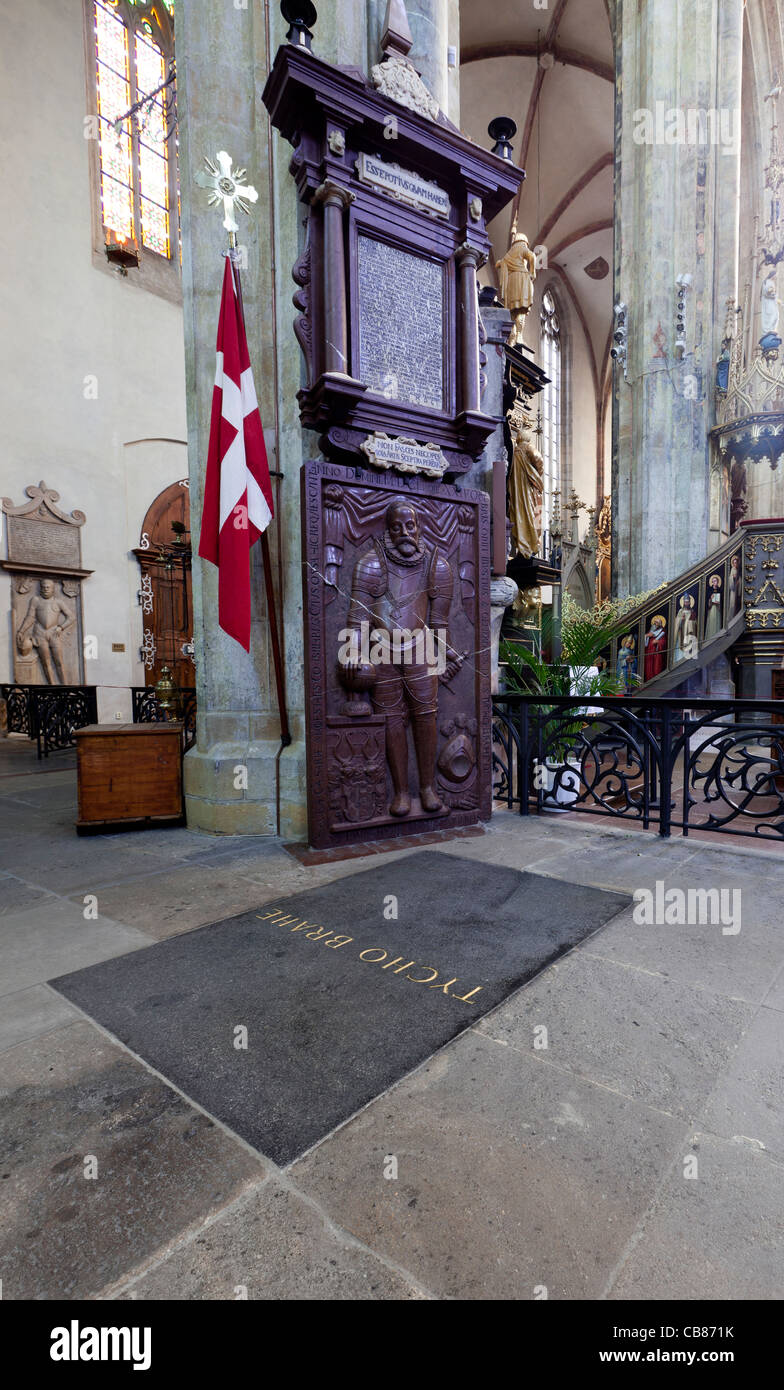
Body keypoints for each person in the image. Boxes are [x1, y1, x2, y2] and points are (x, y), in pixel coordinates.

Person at [343, 501, 464, 818]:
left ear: (419, 527)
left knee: (426, 716)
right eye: (397, 526)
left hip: (421, 649)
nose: (404, 532)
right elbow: (357, 622)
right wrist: (354, 653)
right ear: (388, 528)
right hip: (382, 651)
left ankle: (427, 788)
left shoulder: (437, 565)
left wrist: (444, 656)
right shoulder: (371, 564)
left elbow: (439, 622)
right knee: (392, 719)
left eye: (410, 526)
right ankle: (400, 792)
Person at [16, 578, 75, 685]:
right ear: (40, 589)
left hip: (54, 633)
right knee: (46, 663)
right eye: (43, 587)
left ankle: (65, 686)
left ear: (53, 589)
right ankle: (52, 686)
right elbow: (30, 617)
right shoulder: (36, 600)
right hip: (40, 633)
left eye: (48, 587)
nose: (45, 589)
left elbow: (71, 617)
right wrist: (21, 631)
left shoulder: (58, 602)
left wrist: (61, 627)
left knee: (59, 661)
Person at [672, 593, 698, 663]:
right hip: (681, 634)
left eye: (688, 601)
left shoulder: (692, 611)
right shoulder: (681, 611)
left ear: (690, 602)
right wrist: (681, 619)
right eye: (685, 601)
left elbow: (695, 623)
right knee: (680, 652)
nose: (686, 603)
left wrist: (690, 623)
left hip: (689, 634)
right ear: (683, 602)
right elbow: (676, 623)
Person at [643, 614, 667, 681]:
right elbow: (645, 645)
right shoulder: (650, 631)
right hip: (649, 653)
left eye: (657, 623)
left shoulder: (662, 632)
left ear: (660, 624)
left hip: (657, 654)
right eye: (655, 622)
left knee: (656, 668)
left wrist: (658, 642)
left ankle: (656, 680)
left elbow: (664, 642)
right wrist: (646, 636)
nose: (655, 624)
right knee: (649, 668)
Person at [704, 573, 723, 640]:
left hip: (717, 608)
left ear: (718, 582)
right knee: (711, 621)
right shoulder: (709, 590)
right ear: (712, 582)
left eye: (716, 581)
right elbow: (707, 601)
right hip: (712, 609)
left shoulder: (720, 590)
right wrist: (710, 599)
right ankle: (710, 637)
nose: (715, 582)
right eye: (714, 581)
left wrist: (719, 602)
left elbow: (722, 600)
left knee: (717, 621)